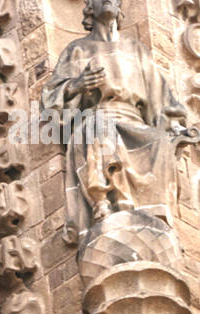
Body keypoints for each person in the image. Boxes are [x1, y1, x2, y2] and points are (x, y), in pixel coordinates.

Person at [43, 0, 194, 242]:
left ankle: (155, 215)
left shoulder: (135, 49)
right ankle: (102, 202)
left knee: (159, 141)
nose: (110, 0)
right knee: (99, 127)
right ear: (90, 7)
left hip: (133, 120)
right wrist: (77, 85)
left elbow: (159, 96)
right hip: (98, 117)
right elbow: (51, 98)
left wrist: (175, 127)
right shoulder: (77, 50)